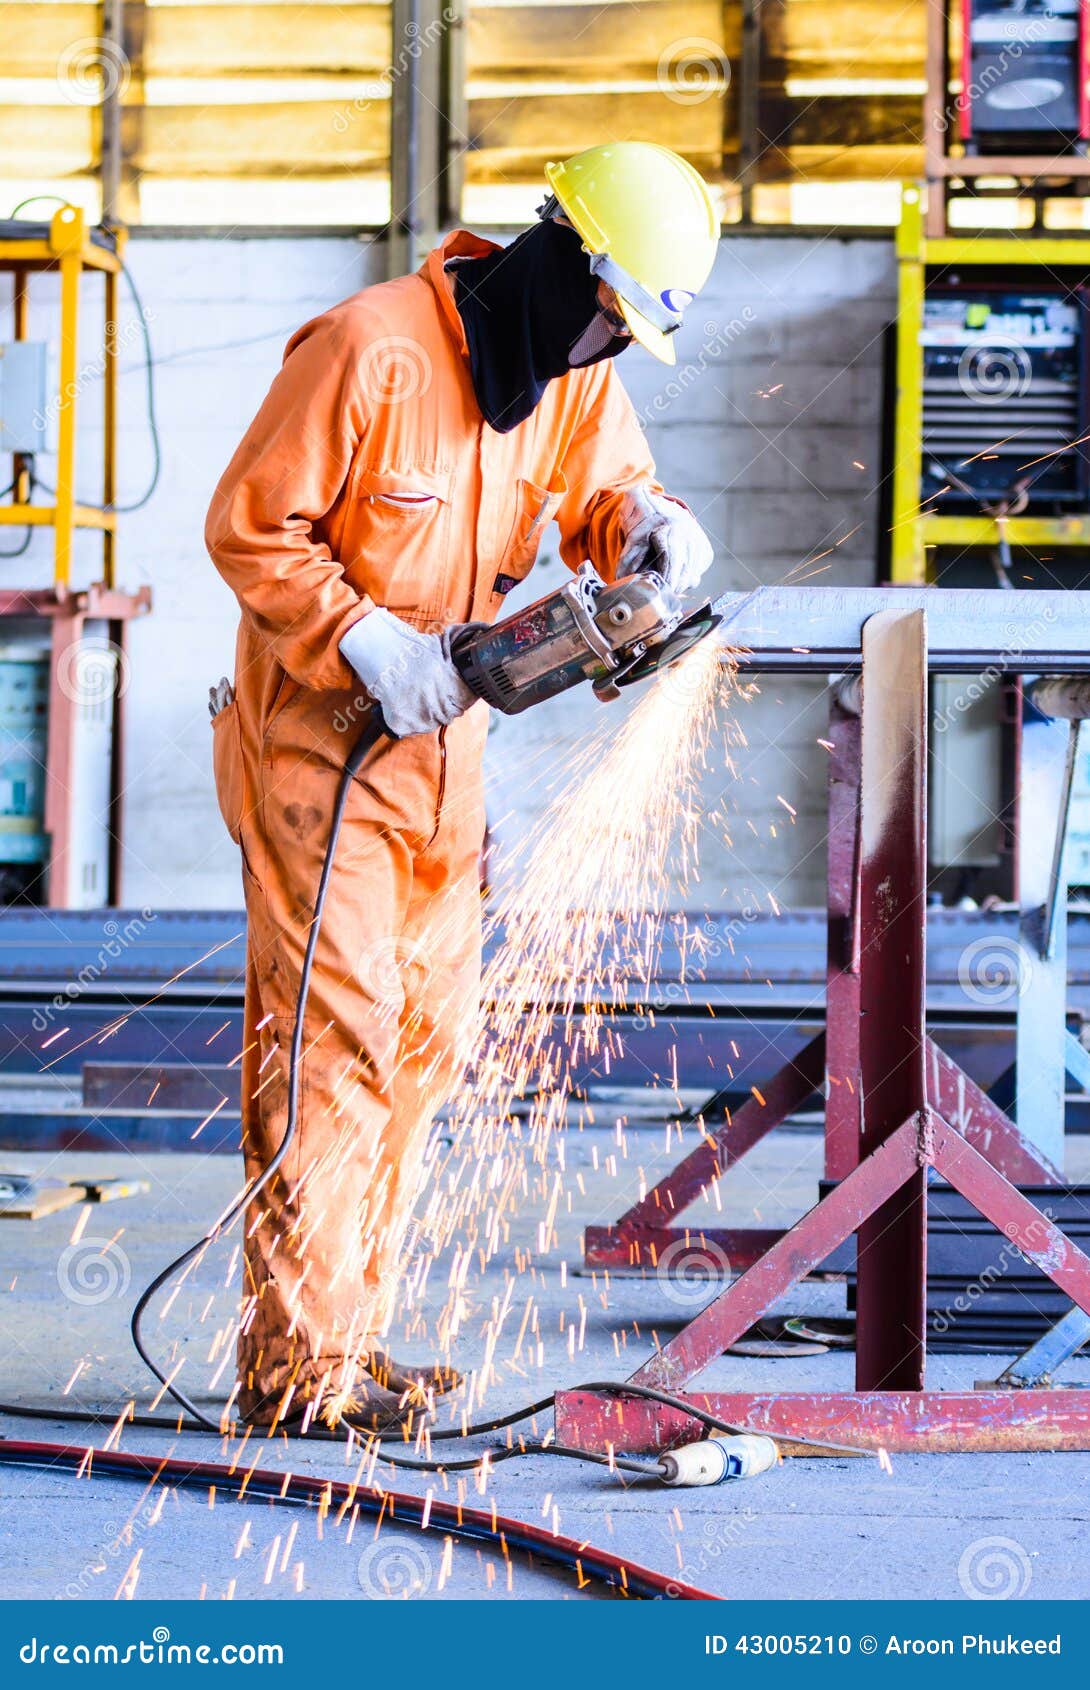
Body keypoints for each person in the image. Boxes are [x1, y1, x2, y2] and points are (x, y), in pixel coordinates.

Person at [205, 141, 719, 1432]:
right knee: (334, 1052)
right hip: (322, 755)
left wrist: (645, 525)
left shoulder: (568, 373)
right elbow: (251, 526)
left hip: (446, 761)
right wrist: (365, 640)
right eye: (610, 315)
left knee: (421, 1051)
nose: (610, 346)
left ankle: (345, 1333)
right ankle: (297, 1374)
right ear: (561, 260)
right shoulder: (367, 346)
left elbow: (607, 487)